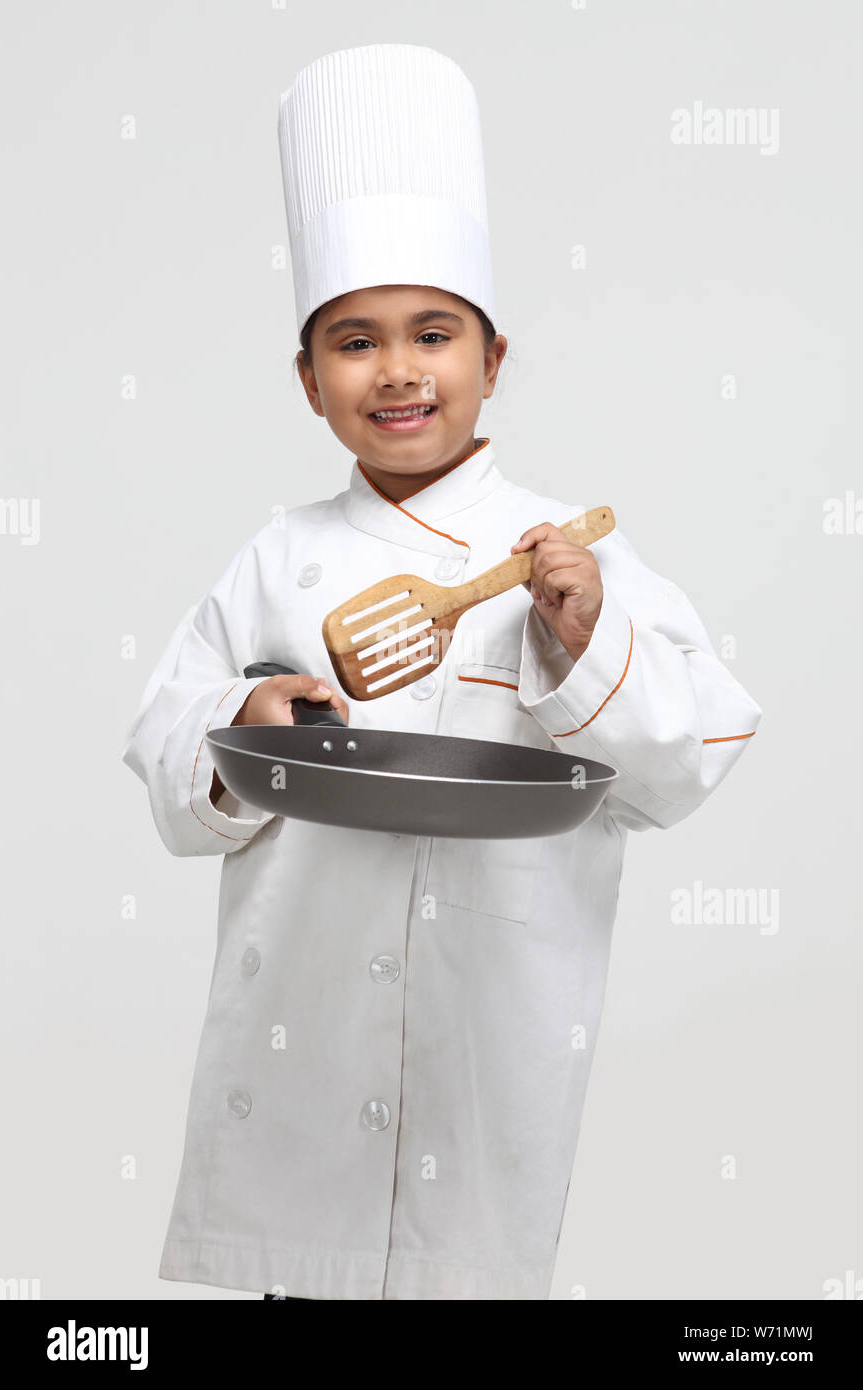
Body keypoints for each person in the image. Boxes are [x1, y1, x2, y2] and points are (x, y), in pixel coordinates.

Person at [121, 44, 762, 1302]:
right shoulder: (274, 558)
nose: (399, 369)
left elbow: (698, 755)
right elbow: (161, 742)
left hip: (493, 1035)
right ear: (309, 381)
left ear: (492, 354)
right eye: (354, 341)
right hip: (288, 1051)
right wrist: (241, 714)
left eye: (433, 333)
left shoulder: (566, 551)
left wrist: (584, 644)